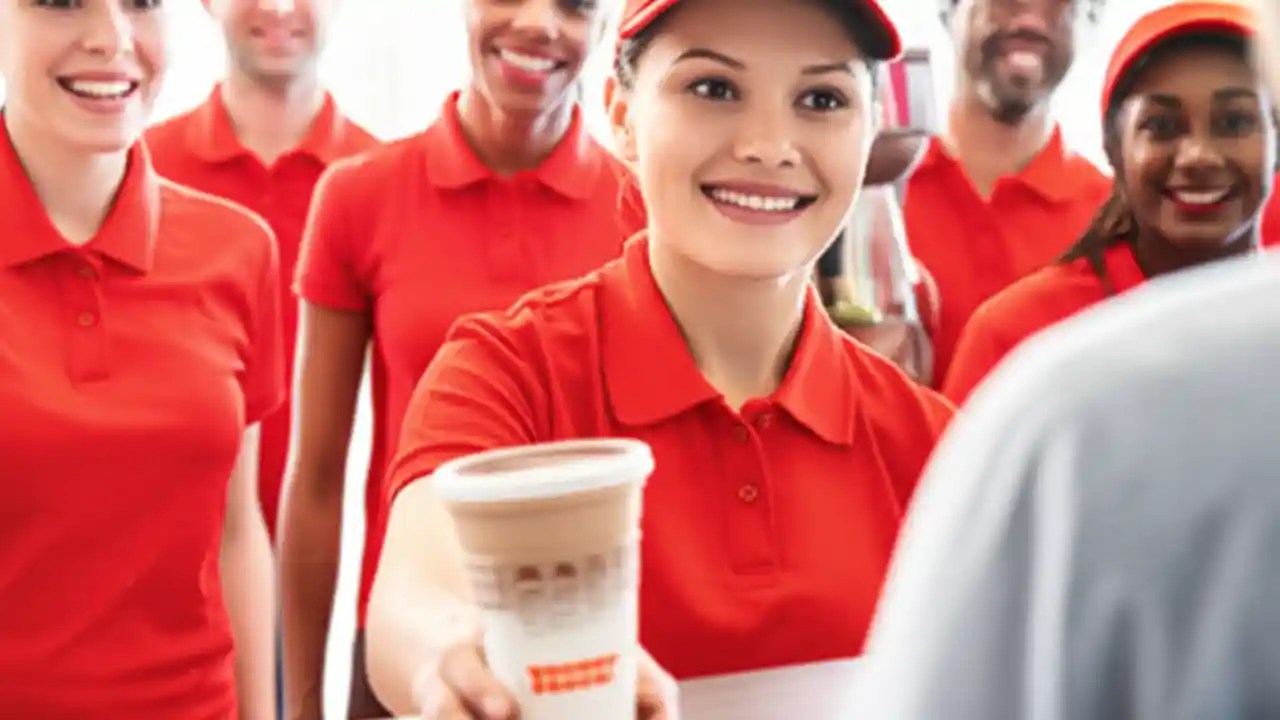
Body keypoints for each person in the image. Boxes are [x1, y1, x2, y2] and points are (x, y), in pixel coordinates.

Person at [365, 0, 956, 715]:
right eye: (713, 88)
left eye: (821, 99)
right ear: (619, 113)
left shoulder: (933, 443)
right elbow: (416, 599)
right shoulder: (508, 373)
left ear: (870, 133)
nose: (770, 145)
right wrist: (459, 661)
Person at [277, 0, 647, 716]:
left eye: (575, 5)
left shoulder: (640, 210)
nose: (541, 23)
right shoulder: (360, 196)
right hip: (404, 651)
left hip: (591, 651)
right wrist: (301, 702)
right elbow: (318, 479)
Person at [0, 1, 282, 717]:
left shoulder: (238, 250)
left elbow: (237, 530)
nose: (111, 38)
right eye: (61, 1)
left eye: (143, 2)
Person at [942, 0, 1273, 404]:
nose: (1198, 155)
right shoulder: (1019, 333)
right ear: (1114, 149)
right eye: (1162, 126)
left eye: (1236, 122)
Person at [146, 0, 378, 542]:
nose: (276, 6)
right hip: (173, 557)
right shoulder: (142, 171)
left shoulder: (379, 185)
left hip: (334, 562)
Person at [906, 0, 1111, 389]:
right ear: (949, 10)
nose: (1031, 18)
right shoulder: (870, 198)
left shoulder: (1115, 223)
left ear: (1091, 20)